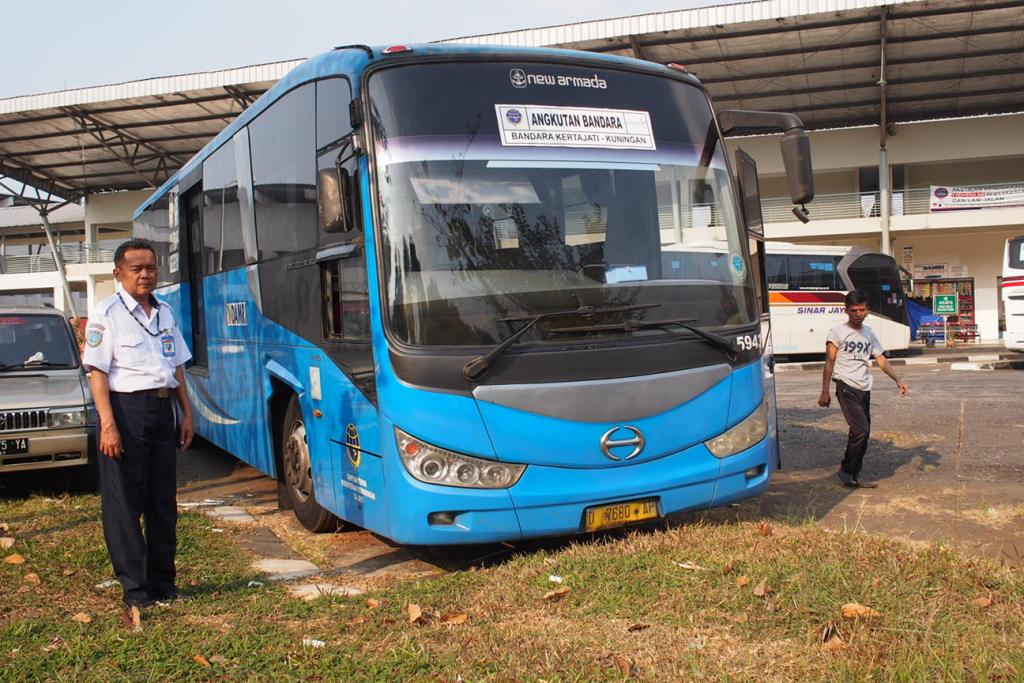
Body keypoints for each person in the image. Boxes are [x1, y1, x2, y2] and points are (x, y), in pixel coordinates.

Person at [83, 239, 194, 630]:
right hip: (126, 412)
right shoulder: (106, 314)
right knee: (125, 504)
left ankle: (164, 583)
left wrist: (186, 413)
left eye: (151, 267)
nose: (146, 274)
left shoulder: (165, 312)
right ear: (118, 274)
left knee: (163, 501)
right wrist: (108, 424)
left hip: (163, 410)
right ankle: (136, 589)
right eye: (136, 268)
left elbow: (177, 367)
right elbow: (98, 373)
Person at [817, 289, 909, 488]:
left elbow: (881, 360)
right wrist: (825, 390)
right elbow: (829, 361)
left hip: (864, 387)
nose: (858, 314)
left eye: (862, 310)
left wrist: (898, 380)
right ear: (846, 310)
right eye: (854, 310)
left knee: (864, 433)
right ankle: (846, 471)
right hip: (845, 385)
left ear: (867, 310)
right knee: (860, 429)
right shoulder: (837, 332)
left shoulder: (869, 333)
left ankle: (853, 474)